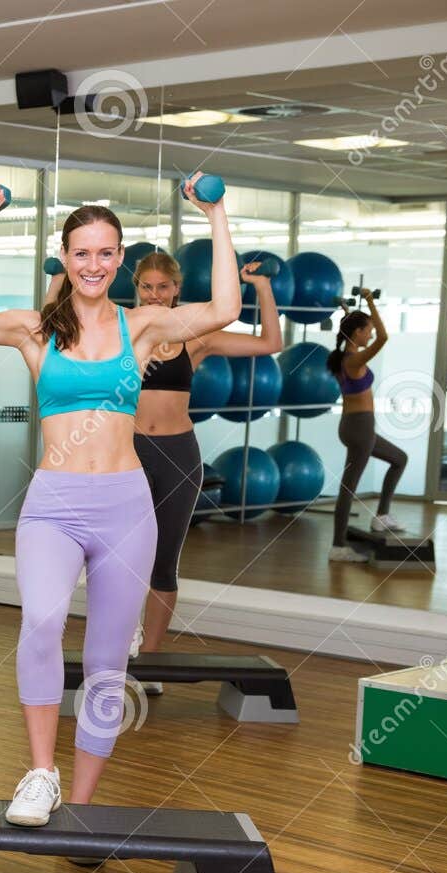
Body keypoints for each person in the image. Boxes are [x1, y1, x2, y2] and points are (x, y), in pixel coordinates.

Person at [0, 176, 239, 828]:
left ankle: (83, 798)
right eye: (82, 253)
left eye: (106, 253)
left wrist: (215, 214)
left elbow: (222, 309)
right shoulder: (35, 329)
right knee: (42, 620)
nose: (94, 265)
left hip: (127, 506)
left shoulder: (146, 325)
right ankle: (41, 772)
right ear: (65, 257)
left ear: (120, 257)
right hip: (55, 502)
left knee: (107, 662)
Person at [127, 255, 282, 661]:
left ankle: (152, 657)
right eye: (147, 286)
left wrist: (261, 287)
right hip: (126, 453)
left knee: (164, 561)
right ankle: (120, 640)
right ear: (136, 289)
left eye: (163, 287)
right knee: (120, 556)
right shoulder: (119, 331)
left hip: (178, 454)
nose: (155, 294)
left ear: (177, 289)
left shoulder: (195, 337)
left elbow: (270, 343)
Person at [329, 288, 406, 560]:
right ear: (358, 333)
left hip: (357, 427)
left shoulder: (344, 355)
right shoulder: (354, 360)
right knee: (348, 488)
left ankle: (382, 516)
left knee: (399, 459)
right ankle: (338, 546)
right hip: (359, 429)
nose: (371, 333)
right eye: (367, 330)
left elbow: (356, 330)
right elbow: (384, 337)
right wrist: (371, 301)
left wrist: (349, 312)